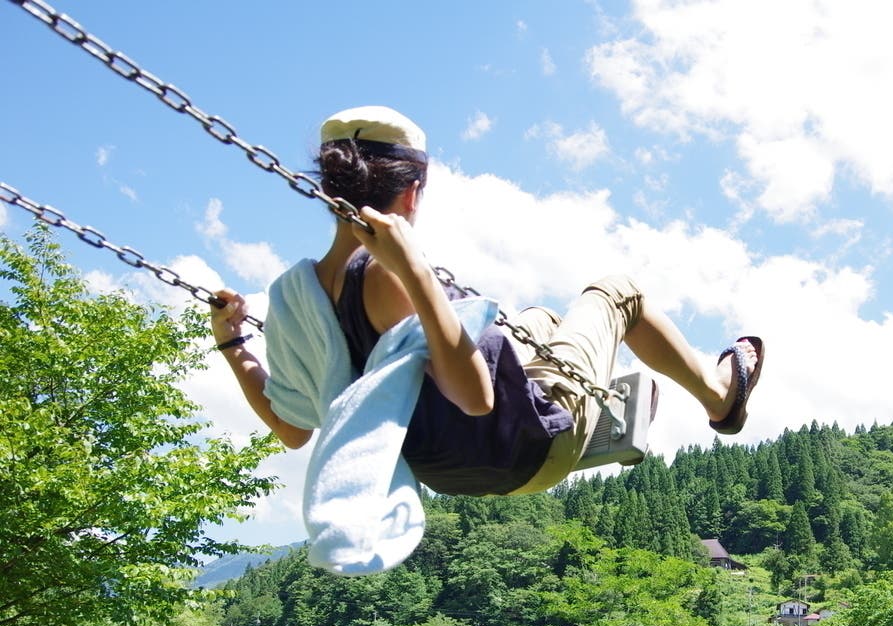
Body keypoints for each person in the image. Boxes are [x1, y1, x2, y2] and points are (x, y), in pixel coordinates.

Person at [209, 105, 762, 500]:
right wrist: (416, 272)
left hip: (448, 471)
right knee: (618, 293)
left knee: (539, 321)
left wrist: (234, 345)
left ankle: (576, 379)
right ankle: (720, 398)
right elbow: (475, 397)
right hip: (525, 449)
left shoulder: (293, 294)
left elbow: (292, 428)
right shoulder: (389, 278)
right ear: (411, 191)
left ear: (330, 191)